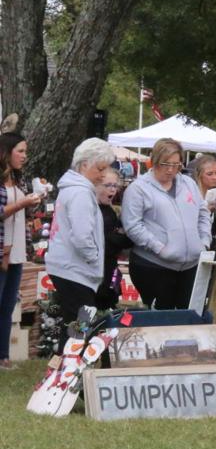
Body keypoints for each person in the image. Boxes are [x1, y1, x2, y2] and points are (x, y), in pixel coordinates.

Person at [121, 138, 210, 310]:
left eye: (176, 165)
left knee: (189, 314)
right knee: (161, 316)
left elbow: (203, 212)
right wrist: (159, 248)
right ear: (154, 161)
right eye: (165, 164)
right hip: (154, 265)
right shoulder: (138, 189)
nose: (170, 170)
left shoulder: (189, 183)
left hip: (191, 265)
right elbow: (132, 226)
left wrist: (204, 242)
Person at [47, 138, 116, 323]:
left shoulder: (72, 189)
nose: (103, 175)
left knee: (75, 323)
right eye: (100, 169)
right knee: (82, 325)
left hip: (68, 267)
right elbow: (82, 236)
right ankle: (76, 344)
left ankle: (69, 343)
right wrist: (94, 259)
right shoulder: (81, 193)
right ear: (85, 165)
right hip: (76, 270)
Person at [0, 132, 44, 368]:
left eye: (25, 151)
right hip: (2, 251)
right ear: (6, 152)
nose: (24, 156)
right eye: (20, 151)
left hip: (16, 252)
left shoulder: (19, 180)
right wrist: (22, 203)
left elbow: (22, 215)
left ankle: (3, 356)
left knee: (7, 307)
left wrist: (33, 202)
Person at [95, 168, 130, 311]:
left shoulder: (108, 210)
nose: (112, 189)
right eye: (108, 185)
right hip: (95, 276)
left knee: (106, 312)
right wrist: (124, 239)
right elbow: (106, 242)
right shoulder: (93, 210)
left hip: (109, 272)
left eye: (115, 185)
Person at [190, 154, 216, 243]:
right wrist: (205, 211)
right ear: (200, 175)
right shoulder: (192, 195)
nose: (214, 177)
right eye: (209, 174)